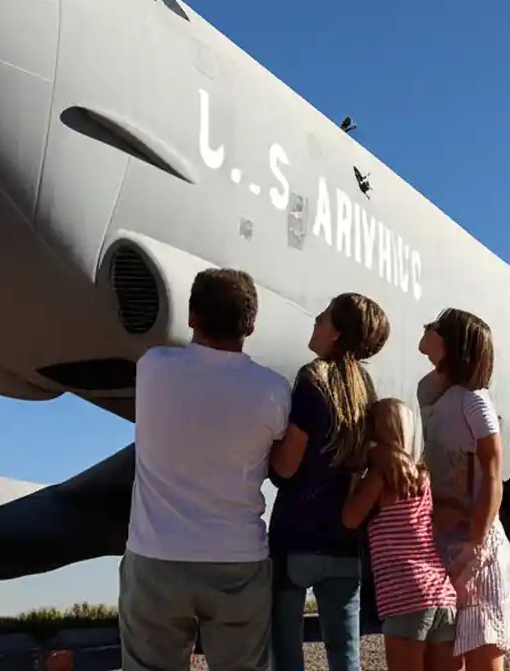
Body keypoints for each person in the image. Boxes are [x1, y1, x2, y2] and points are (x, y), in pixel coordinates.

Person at [120, 268, 292, 671]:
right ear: (250, 325)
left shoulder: (153, 368)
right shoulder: (273, 389)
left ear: (192, 316)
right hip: (238, 557)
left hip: (156, 555)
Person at [268, 292, 391, 671]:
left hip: (295, 539)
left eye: (322, 318)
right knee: (345, 657)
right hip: (343, 543)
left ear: (336, 334)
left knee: (286, 655)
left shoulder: (312, 380)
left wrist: (269, 456)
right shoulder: (365, 389)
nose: (315, 322)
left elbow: (287, 467)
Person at [417, 308, 510, 671]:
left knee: (481, 659)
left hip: (476, 551)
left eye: (436, 327)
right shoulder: (434, 394)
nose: (427, 329)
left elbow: (493, 471)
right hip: (443, 545)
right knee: (441, 658)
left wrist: (476, 542)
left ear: (452, 343)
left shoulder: (473, 400)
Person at [342, 398, 459, 671]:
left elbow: (350, 518)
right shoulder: (425, 477)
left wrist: (354, 477)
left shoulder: (381, 478)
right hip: (442, 594)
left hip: (404, 595)